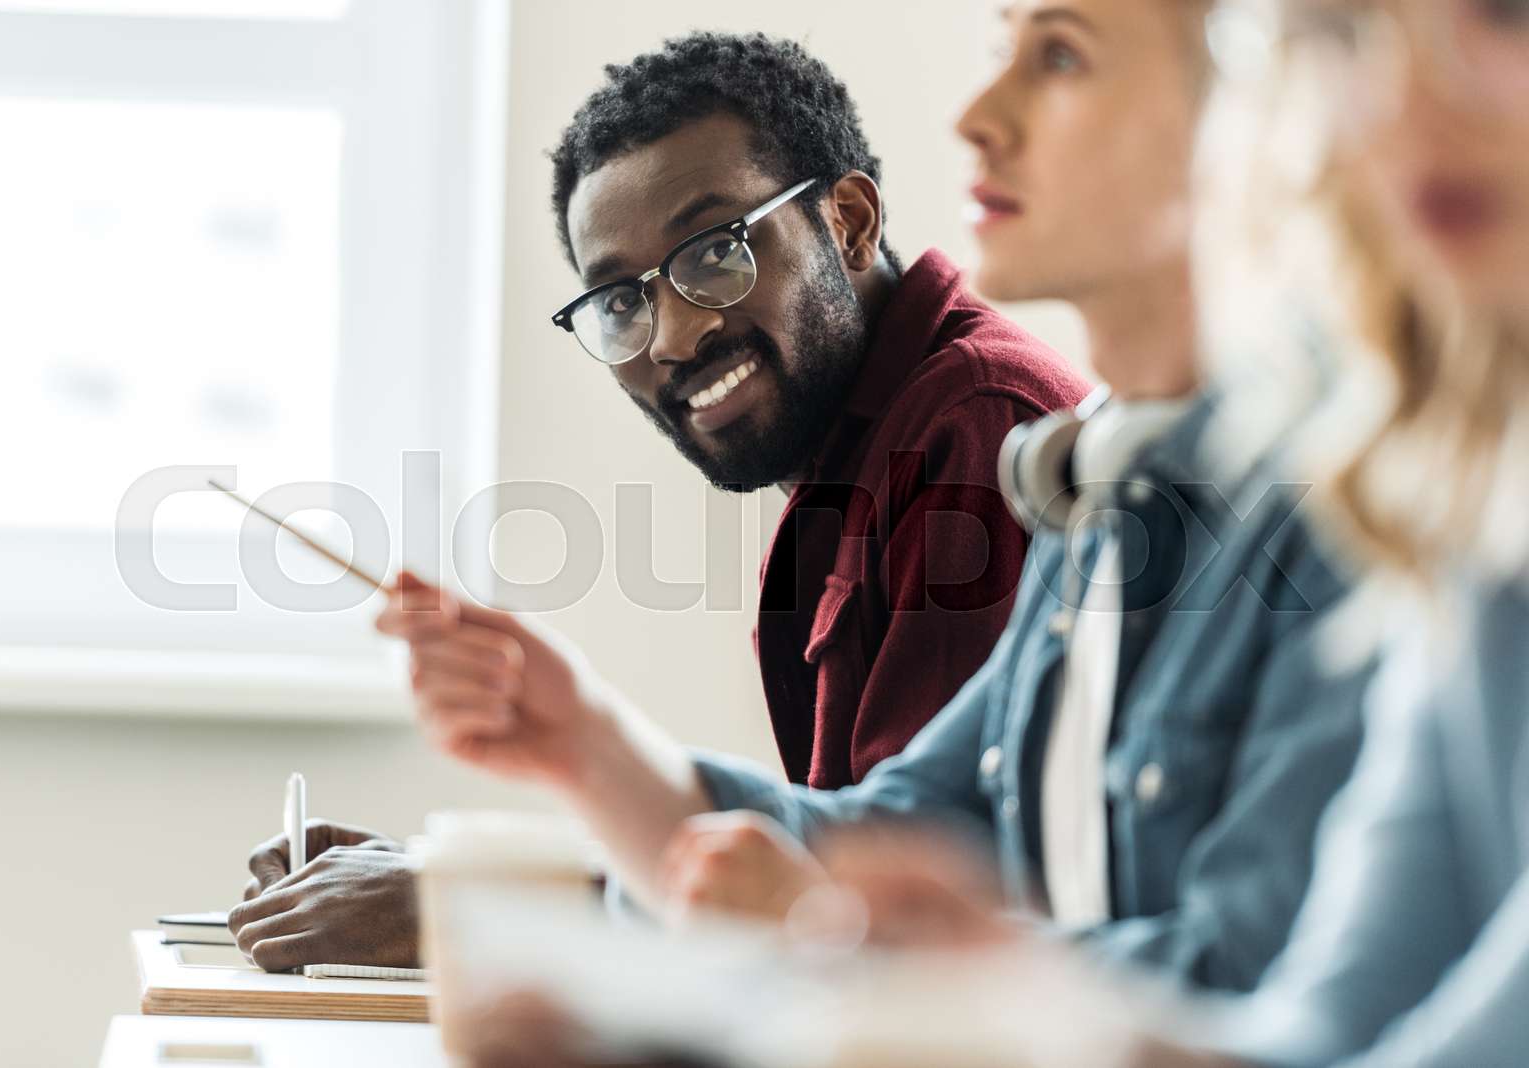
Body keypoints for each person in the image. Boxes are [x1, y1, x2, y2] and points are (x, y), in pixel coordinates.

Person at [395, 0, 1368, 997]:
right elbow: (895, 828)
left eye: (1061, 55)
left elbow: (1265, 984)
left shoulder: (1002, 430)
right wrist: (582, 740)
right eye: (619, 302)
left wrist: (828, 934)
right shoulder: (1094, 484)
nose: (975, 116)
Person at [225, 31, 1085, 972]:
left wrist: (479, 904)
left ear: (847, 221)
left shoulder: (977, 430)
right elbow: (832, 857)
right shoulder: (850, 456)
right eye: (621, 303)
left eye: (717, 253)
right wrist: (463, 873)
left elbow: (905, 904)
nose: (673, 336)